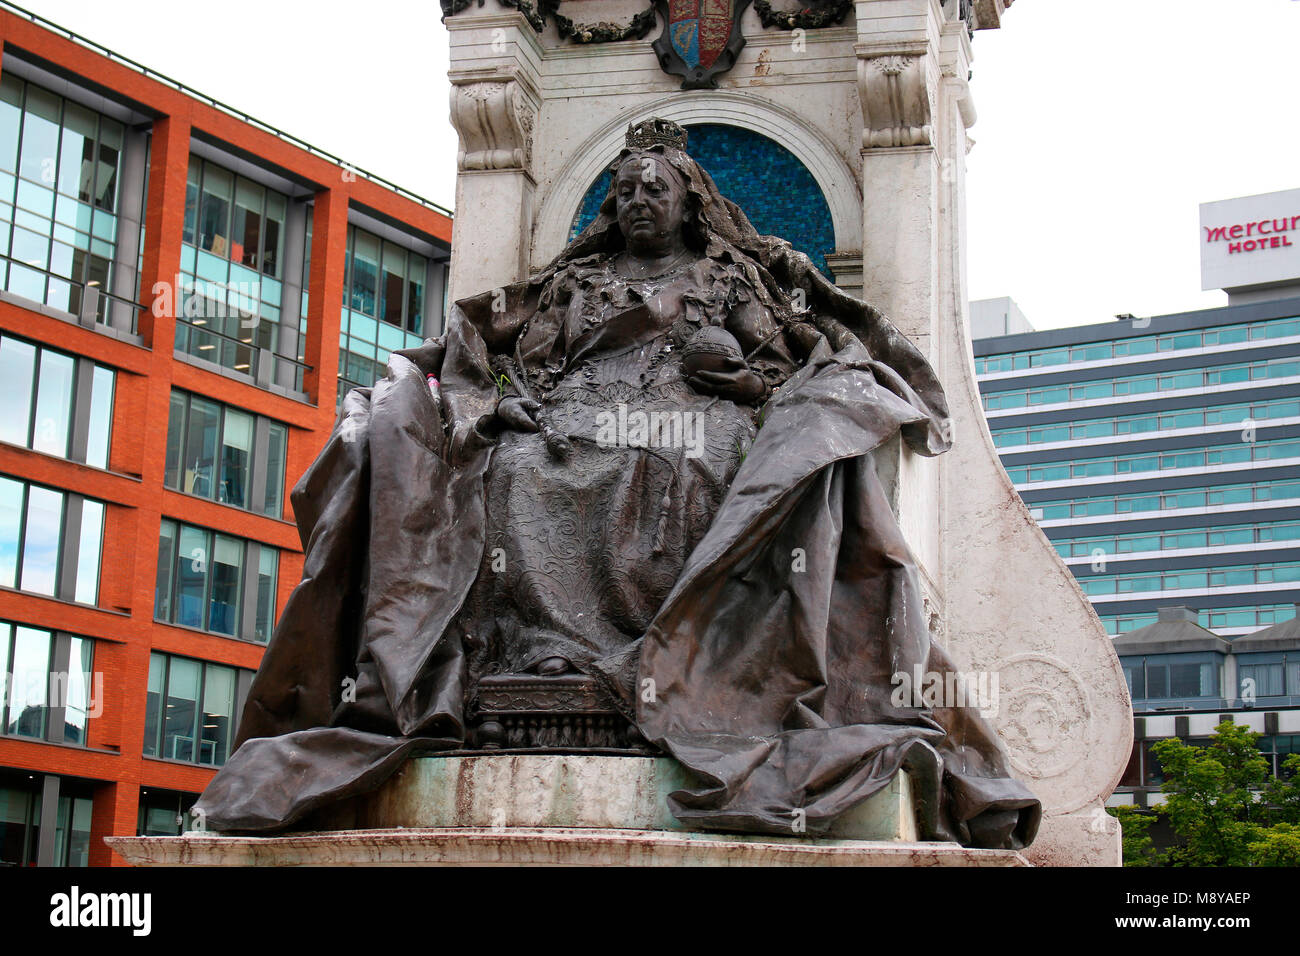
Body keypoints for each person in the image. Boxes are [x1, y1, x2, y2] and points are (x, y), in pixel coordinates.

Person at [194, 119, 1040, 850]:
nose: (638, 200)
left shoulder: (726, 279)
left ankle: (666, 665)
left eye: (654, 189)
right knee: (519, 466)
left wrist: (742, 386)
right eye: (625, 188)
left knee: (684, 458)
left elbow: (783, 359)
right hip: (579, 410)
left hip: (697, 413)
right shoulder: (575, 282)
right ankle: (551, 653)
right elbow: (521, 360)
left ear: (687, 202)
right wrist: (503, 404)